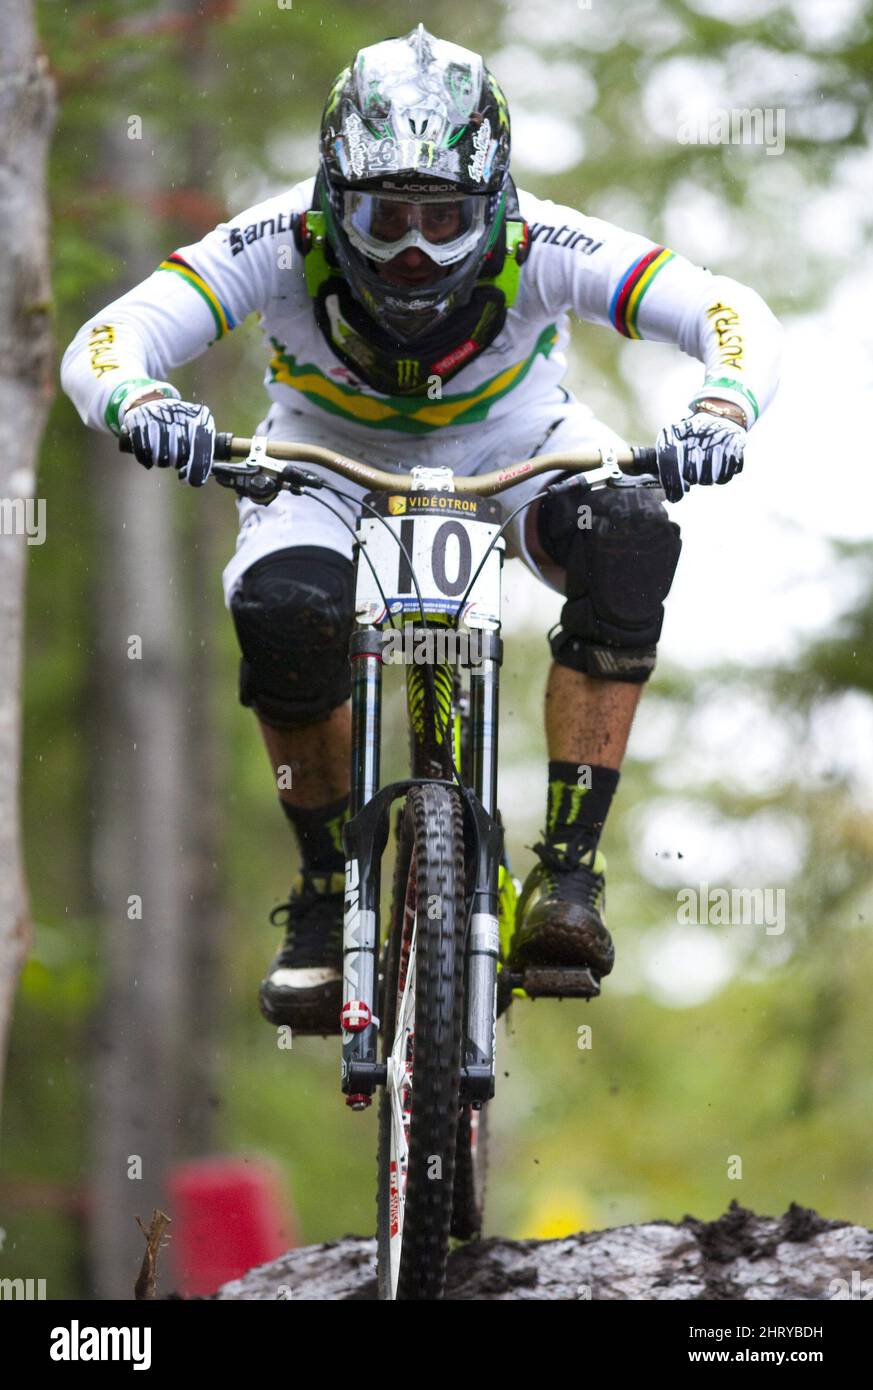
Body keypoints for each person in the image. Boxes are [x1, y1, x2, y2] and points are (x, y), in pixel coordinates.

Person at [61, 25, 782, 1035]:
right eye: (382, 213)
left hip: (518, 445)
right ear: (329, 195)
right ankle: (322, 894)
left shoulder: (546, 241)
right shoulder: (279, 240)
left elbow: (726, 308)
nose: (410, 248)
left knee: (629, 531)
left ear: (491, 205)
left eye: (442, 219)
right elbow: (109, 337)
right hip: (319, 460)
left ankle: (568, 874)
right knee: (283, 613)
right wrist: (141, 402)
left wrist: (722, 409)